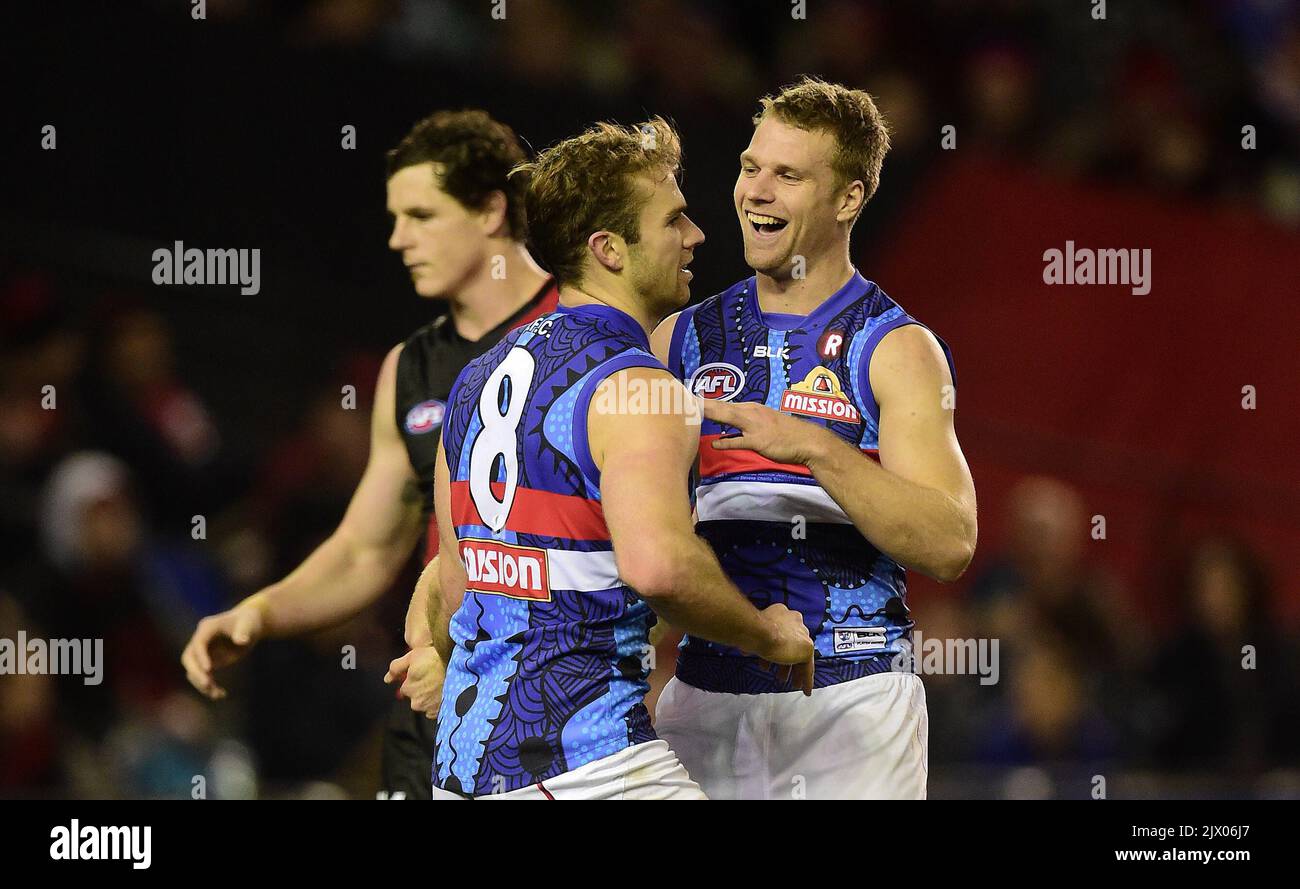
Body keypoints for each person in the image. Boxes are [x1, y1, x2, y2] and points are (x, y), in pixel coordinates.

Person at [428, 118, 814, 799]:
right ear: (608, 249)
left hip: (466, 773)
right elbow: (659, 564)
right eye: (673, 220)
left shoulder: (473, 380)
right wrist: (768, 635)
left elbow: (454, 587)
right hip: (587, 765)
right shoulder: (640, 386)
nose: (696, 236)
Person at [180, 110, 558, 798]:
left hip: (561, 711)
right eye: (394, 217)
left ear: (491, 210)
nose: (398, 238)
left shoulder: (589, 336)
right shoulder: (408, 369)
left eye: (420, 214)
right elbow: (365, 548)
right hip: (436, 706)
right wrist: (259, 613)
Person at [648, 77, 978, 799]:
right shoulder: (678, 339)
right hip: (704, 695)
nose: (755, 192)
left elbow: (950, 541)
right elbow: (642, 535)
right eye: (749, 166)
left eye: (788, 175)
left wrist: (817, 449)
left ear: (849, 199)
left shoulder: (896, 348)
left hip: (851, 703)